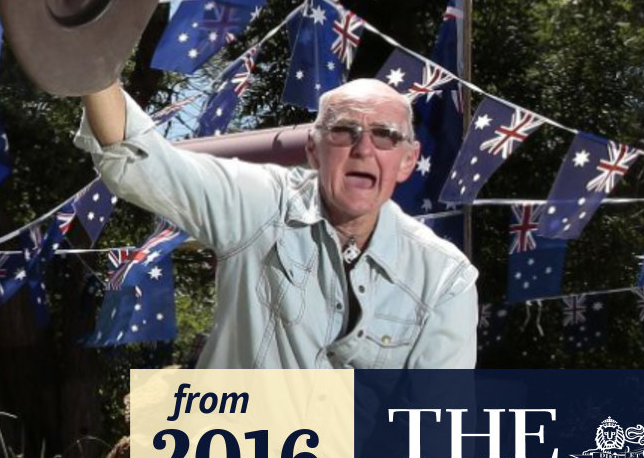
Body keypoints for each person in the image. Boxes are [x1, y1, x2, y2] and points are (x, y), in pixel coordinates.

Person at [74, 77, 479, 368]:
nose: (363, 148)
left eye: (385, 136)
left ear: (408, 160)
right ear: (313, 150)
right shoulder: (260, 204)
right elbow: (138, 161)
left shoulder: (445, 278)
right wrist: (96, 55)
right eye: (343, 132)